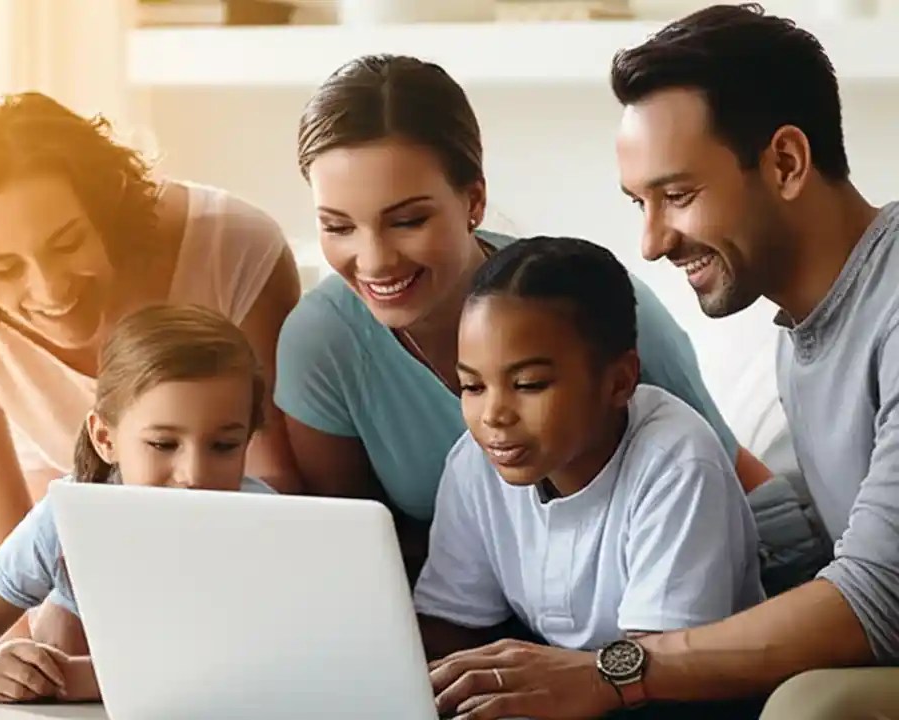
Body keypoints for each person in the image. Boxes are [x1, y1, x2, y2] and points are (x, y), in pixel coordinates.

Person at [424, 5, 899, 719]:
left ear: (786, 163)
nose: (650, 243)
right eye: (640, 202)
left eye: (678, 196)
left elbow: (876, 595)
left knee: (812, 707)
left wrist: (612, 670)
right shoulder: (803, 326)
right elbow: (830, 527)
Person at [275, 53, 771, 581]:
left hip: (652, 595)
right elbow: (357, 556)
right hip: (461, 617)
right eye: (338, 227)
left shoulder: (586, 297)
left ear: (474, 199)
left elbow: (727, 478)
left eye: (408, 220)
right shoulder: (322, 343)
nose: (374, 261)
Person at [0, 91, 302, 640]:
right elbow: (3, 550)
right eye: (4, 268)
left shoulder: (231, 244)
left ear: (105, 213)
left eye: (68, 242)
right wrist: (18, 657)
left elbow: (273, 481)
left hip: (218, 540)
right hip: (52, 551)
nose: (49, 289)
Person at [418, 236, 764, 718]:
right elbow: (450, 626)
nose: (493, 414)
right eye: (472, 386)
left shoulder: (676, 461)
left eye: (529, 385)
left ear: (620, 381)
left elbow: (656, 670)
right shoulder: (475, 462)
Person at [0, 304, 277, 703]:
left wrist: (70, 678)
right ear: (105, 438)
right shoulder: (66, 517)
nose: (193, 474)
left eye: (224, 446)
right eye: (163, 444)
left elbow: (249, 667)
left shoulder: (268, 525)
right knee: (60, 618)